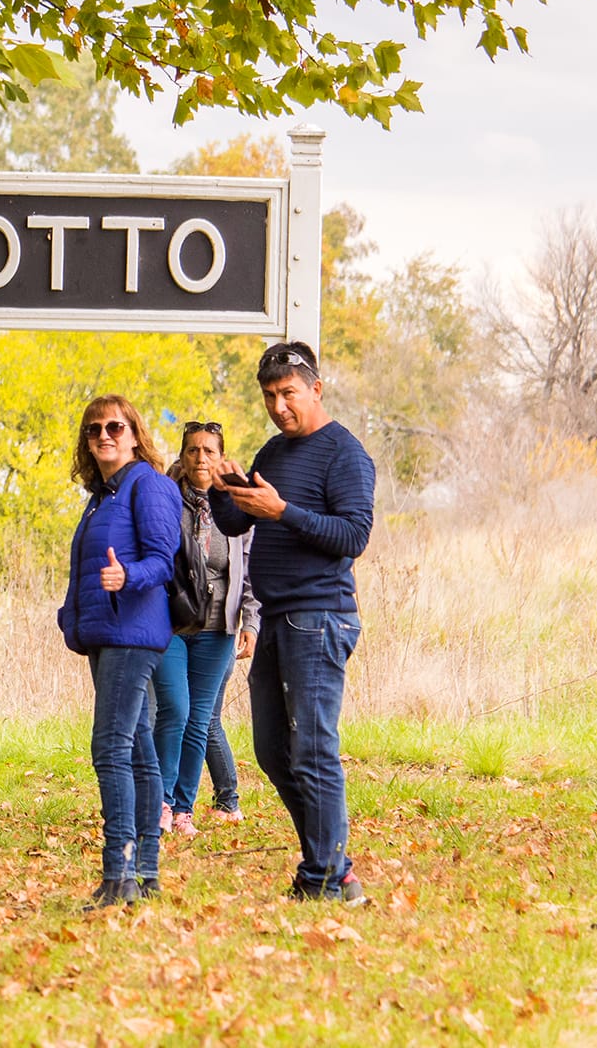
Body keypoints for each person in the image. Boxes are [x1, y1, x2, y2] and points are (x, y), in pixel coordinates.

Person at [211, 341, 375, 904]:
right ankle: (332, 868)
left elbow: (353, 536)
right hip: (276, 616)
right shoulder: (274, 452)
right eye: (269, 396)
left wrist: (283, 511)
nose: (279, 406)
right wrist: (225, 487)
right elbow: (236, 521)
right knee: (272, 751)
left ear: (316, 389)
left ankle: (326, 876)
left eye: (289, 394)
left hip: (320, 616)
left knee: (312, 750)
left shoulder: (343, 453)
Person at [57, 395, 181, 909]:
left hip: (133, 632)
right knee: (137, 751)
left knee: (109, 746)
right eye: (93, 429)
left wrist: (128, 576)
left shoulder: (148, 484)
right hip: (105, 633)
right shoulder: (101, 495)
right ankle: (145, 873)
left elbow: (163, 560)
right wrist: (70, 615)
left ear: (134, 433)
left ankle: (119, 873)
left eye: (114, 426)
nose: (103, 435)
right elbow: (84, 568)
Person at [152, 421, 260, 838]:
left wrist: (250, 621)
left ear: (221, 457)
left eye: (209, 451)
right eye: (193, 451)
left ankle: (183, 810)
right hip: (172, 625)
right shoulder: (164, 499)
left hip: (219, 628)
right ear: (183, 456)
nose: (200, 458)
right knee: (175, 710)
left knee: (199, 720)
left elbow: (249, 572)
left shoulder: (236, 507)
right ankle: (160, 802)